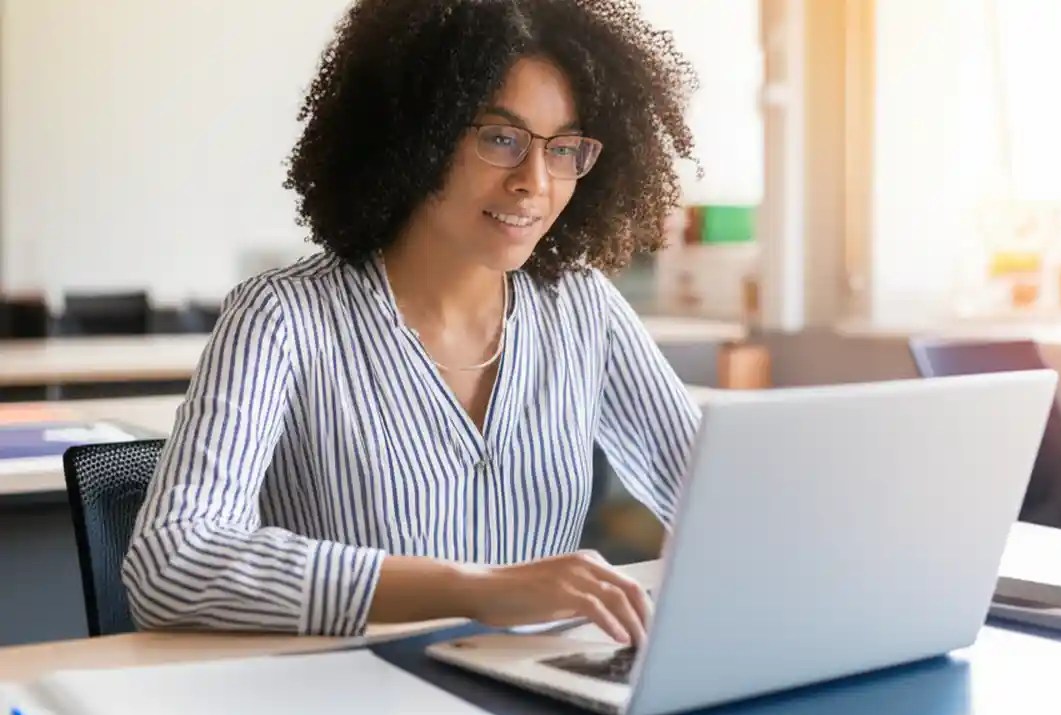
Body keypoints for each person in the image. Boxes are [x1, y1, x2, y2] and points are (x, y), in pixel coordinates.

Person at [122, 0, 701, 647]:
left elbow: (717, 495)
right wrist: (471, 588)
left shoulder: (583, 308)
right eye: (500, 138)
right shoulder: (283, 317)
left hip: (537, 691)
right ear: (417, 135)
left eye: (564, 148)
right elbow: (169, 565)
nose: (534, 182)